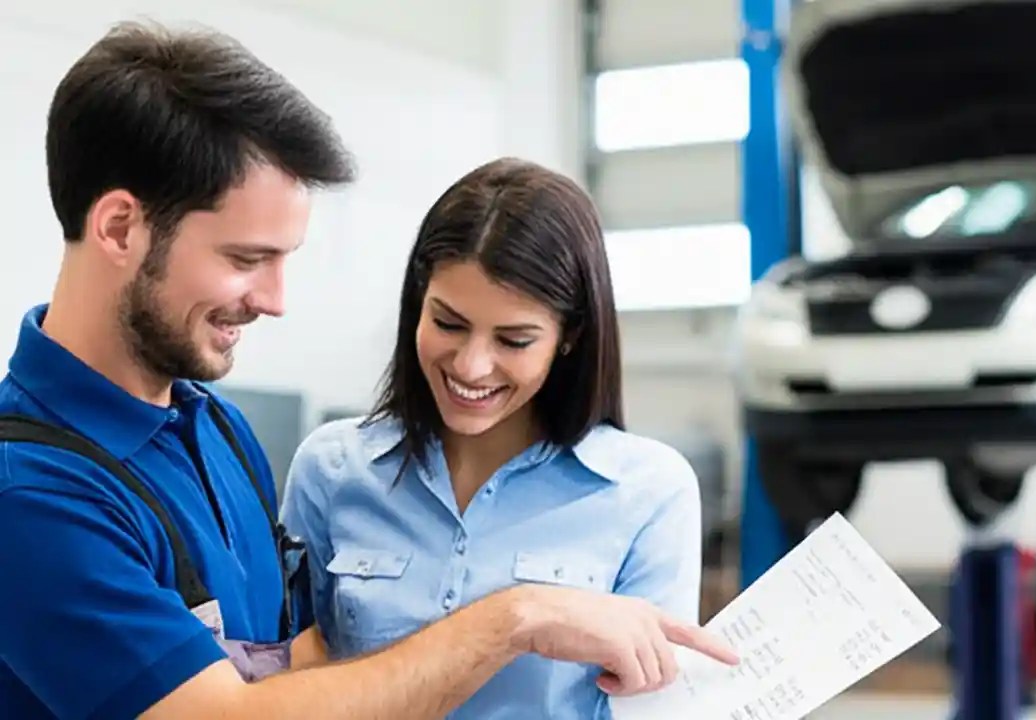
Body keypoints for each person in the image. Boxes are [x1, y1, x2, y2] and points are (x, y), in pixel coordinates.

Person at [0, 20, 736, 720]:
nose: (275, 301)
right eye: (246, 259)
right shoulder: (27, 491)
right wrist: (518, 615)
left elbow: (296, 665)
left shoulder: (218, 433)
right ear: (121, 227)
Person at [280, 157, 705, 719]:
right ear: (418, 302)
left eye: (514, 340)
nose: (473, 367)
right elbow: (280, 680)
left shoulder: (649, 491)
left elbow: (660, 708)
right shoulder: (331, 470)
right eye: (449, 324)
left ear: (569, 336)